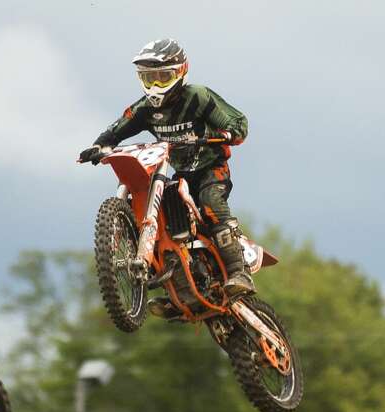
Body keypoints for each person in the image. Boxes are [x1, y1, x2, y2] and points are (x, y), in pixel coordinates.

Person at [79, 38, 254, 308]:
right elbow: (117, 129)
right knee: (167, 219)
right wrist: (99, 146)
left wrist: (227, 133)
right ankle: (175, 285)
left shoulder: (197, 96)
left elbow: (237, 122)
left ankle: (239, 273)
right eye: (149, 79)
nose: (156, 85)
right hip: (180, 173)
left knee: (211, 204)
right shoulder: (145, 109)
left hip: (210, 168)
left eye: (163, 77)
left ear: (181, 72)